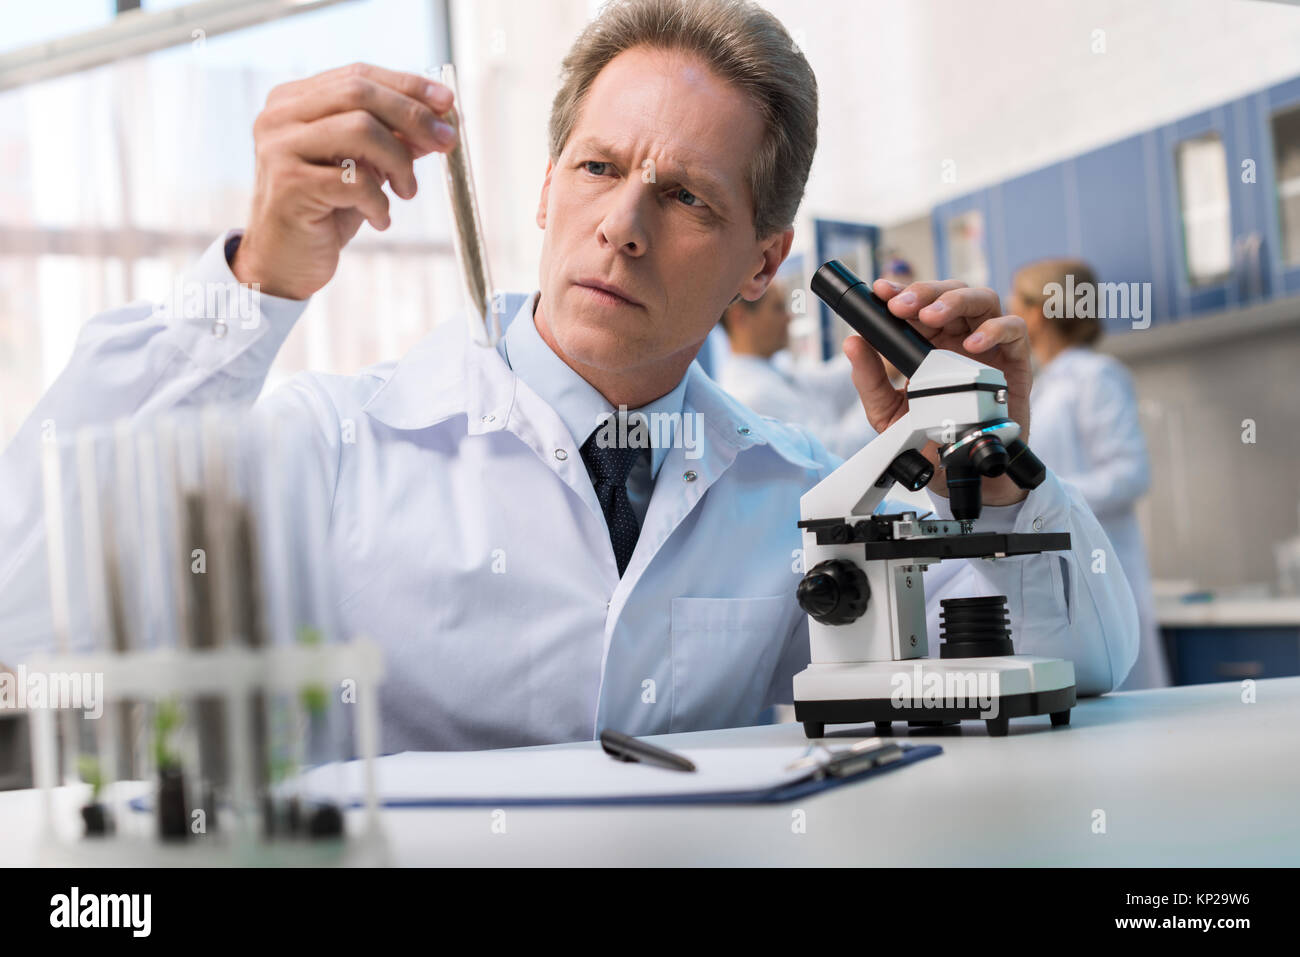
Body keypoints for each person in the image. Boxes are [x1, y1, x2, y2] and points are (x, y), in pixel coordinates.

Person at [0, 0, 1138, 753]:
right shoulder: (338, 444)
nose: (623, 227)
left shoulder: (799, 492)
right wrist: (253, 288)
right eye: (597, 168)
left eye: (687, 196)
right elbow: (28, 607)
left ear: (763, 260)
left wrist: (987, 473)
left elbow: (1080, 663)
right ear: (546, 190)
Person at [1010, 258, 1168, 690]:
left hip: (1103, 567)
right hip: (1059, 572)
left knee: (1123, 707)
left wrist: (1043, 493)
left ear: (1039, 311)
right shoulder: (1046, 384)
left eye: (1016, 299)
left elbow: (1130, 473)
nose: (1009, 308)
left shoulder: (1097, 376)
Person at [717, 279, 877, 458]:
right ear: (739, 317)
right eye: (778, 308)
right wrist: (879, 390)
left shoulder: (774, 369)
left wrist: (874, 348)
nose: (789, 317)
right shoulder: (754, 395)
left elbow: (829, 384)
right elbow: (838, 454)